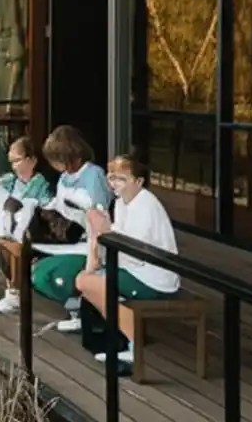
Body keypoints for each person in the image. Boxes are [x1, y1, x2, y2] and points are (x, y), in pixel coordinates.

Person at [75, 154, 180, 366]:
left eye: (121, 179)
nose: (114, 184)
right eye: (111, 178)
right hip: (131, 268)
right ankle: (123, 337)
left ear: (138, 181)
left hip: (153, 276)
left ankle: (133, 343)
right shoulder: (122, 203)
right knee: (86, 279)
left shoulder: (146, 204)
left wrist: (104, 230)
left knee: (87, 281)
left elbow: (135, 250)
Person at [35, 125, 113, 332]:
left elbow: (99, 211)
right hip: (74, 234)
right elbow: (59, 204)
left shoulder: (94, 174)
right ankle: (77, 308)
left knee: (58, 272)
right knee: (40, 273)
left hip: (96, 239)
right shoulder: (64, 177)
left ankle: (87, 309)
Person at [0, 136, 52, 314]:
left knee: (12, 247)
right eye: (11, 161)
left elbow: (44, 207)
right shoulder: (11, 180)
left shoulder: (41, 183)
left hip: (36, 230)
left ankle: (15, 292)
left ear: (32, 160)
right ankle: (12, 290)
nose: (14, 166)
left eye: (18, 160)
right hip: (11, 228)